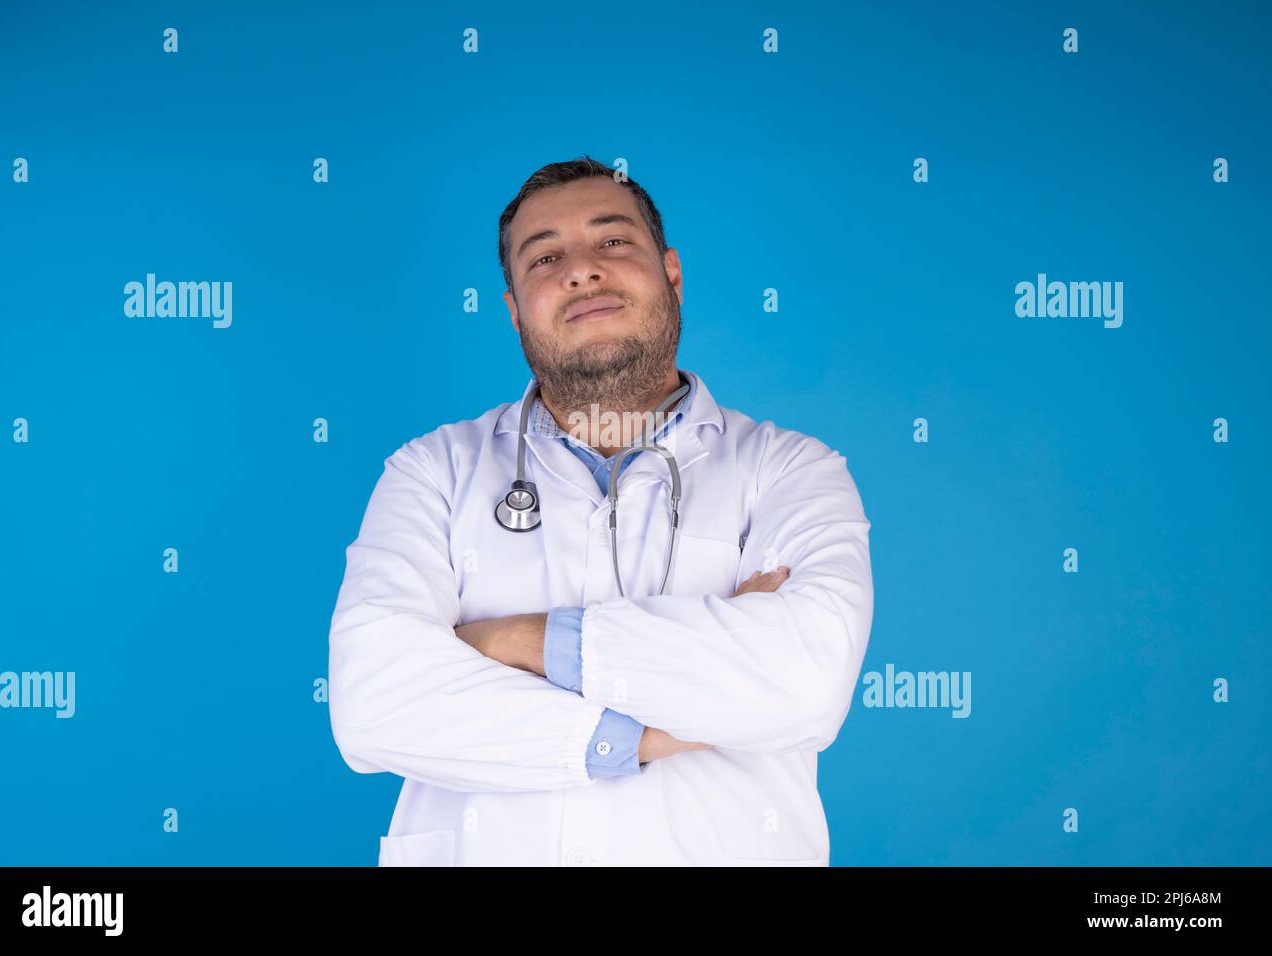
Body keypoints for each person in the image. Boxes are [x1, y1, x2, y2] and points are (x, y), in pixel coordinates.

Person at [327, 156, 875, 866]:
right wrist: (645, 735)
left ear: (672, 275)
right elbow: (375, 706)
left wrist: (509, 641)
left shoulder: (792, 471)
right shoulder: (432, 472)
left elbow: (806, 683)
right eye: (546, 256)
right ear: (515, 310)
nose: (581, 269)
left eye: (612, 242)